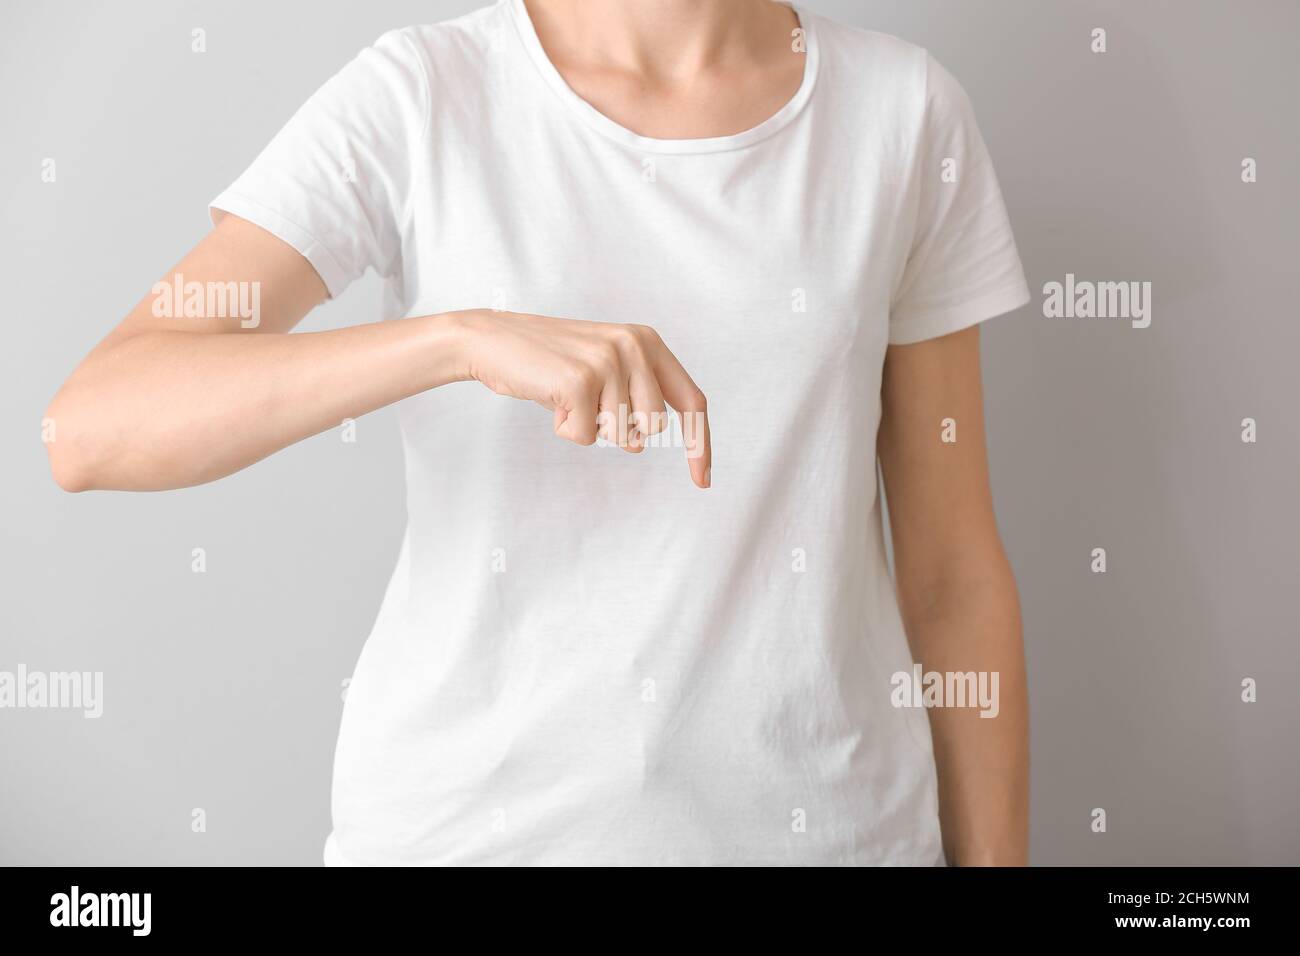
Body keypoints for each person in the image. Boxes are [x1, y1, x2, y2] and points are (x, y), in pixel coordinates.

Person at [44, 0, 1030, 865]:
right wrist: (456, 339)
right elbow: (92, 424)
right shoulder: (422, 94)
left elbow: (951, 569)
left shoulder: (903, 113)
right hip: (471, 837)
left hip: (831, 830)